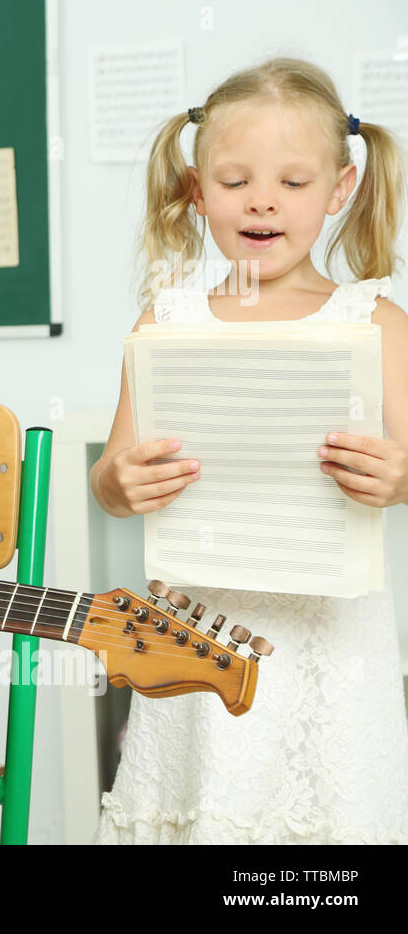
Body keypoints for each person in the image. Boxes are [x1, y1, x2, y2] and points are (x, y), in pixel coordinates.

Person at [90, 58, 408, 843]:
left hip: (331, 642)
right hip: (202, 630)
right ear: (197, 190)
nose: (263, 200)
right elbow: (111, 478)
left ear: (340, 190)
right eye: (235, 180)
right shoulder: (165, 322)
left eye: (294, 183)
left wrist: (401, 478)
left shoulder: (375, 321)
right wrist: (120, 483)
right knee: (209, 814)